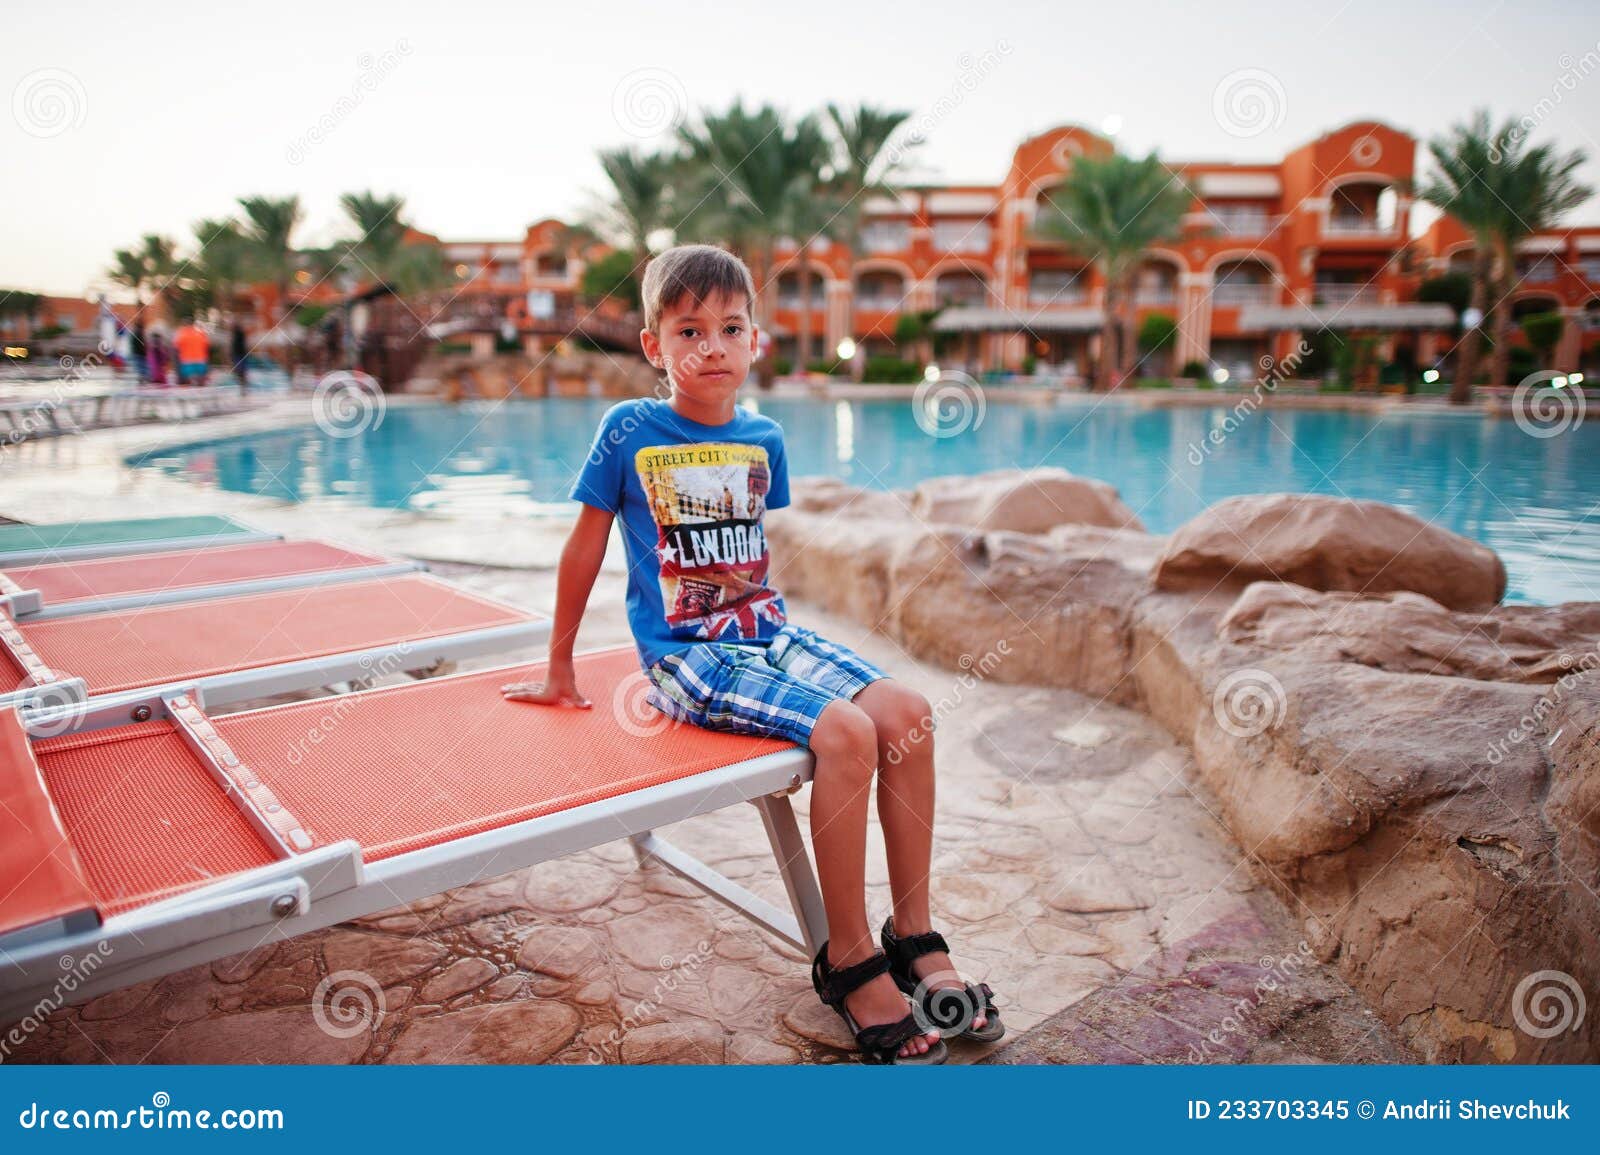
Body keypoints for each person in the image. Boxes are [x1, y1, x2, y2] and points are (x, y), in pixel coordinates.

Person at [499, 244, 1001, 1065]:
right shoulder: (628, 430)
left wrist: (770, 637)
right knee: (846, 732)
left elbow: (749, 559)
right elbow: (584, 546)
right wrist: (560, 664)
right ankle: (848, 957)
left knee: (908, 713)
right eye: (689, 330)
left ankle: (913, 933)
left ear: (756, 340)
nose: (713, 346)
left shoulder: (765, 436)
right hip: (685, 654)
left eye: (731, 327)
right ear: (653, 345)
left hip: (768, 634)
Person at [173, 319, 209, 386]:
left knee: (187, 381)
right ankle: (200, 384)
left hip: (187, 360)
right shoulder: (200, 333)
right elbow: (206, 345)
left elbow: (176, 347)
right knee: (201, 379)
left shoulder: (181, 334)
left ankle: (188, 384)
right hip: (200, 359)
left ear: (184, 325)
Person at [231, 322, 249, 394]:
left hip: (239, 355)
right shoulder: (238, 335)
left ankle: (243, 388)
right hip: (240, 355)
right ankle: (243, 387)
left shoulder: (238, 335)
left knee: (240, 372)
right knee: (240, 372)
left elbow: (235, 347)